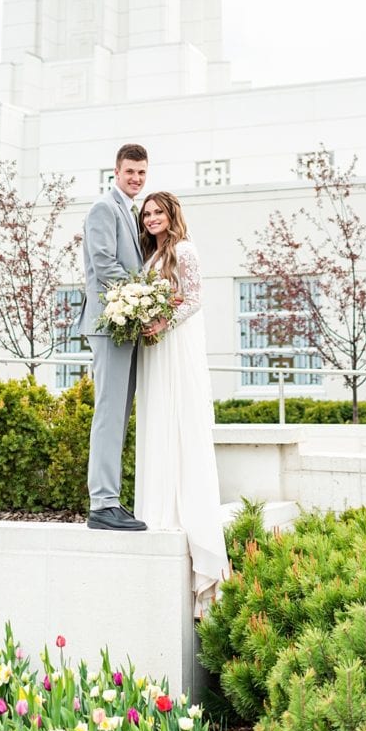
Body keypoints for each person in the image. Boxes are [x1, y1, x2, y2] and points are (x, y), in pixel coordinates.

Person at [133, 192, 229, 616]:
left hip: (174, 344)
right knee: (156, 420)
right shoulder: (150, 256)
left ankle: (190, 524)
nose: (152, 218)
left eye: (158, 212)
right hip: (155, 347)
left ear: (172, 215)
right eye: (147, 213)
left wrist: (162, 321)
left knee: (179, 420)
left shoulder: (184, 251)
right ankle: (157, 506)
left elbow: (194, 299)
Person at [81, 143, 150, 531]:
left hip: (127, 325)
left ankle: (112, 499)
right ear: (116, 171)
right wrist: (144, 299)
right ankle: (103, 503)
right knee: (109, 413)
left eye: (141, 173)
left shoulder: (132, 210)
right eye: (130, 172)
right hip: (111, 325)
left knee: (120, 414)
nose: (136, 179)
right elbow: (104, 264)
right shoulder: (103, 209)